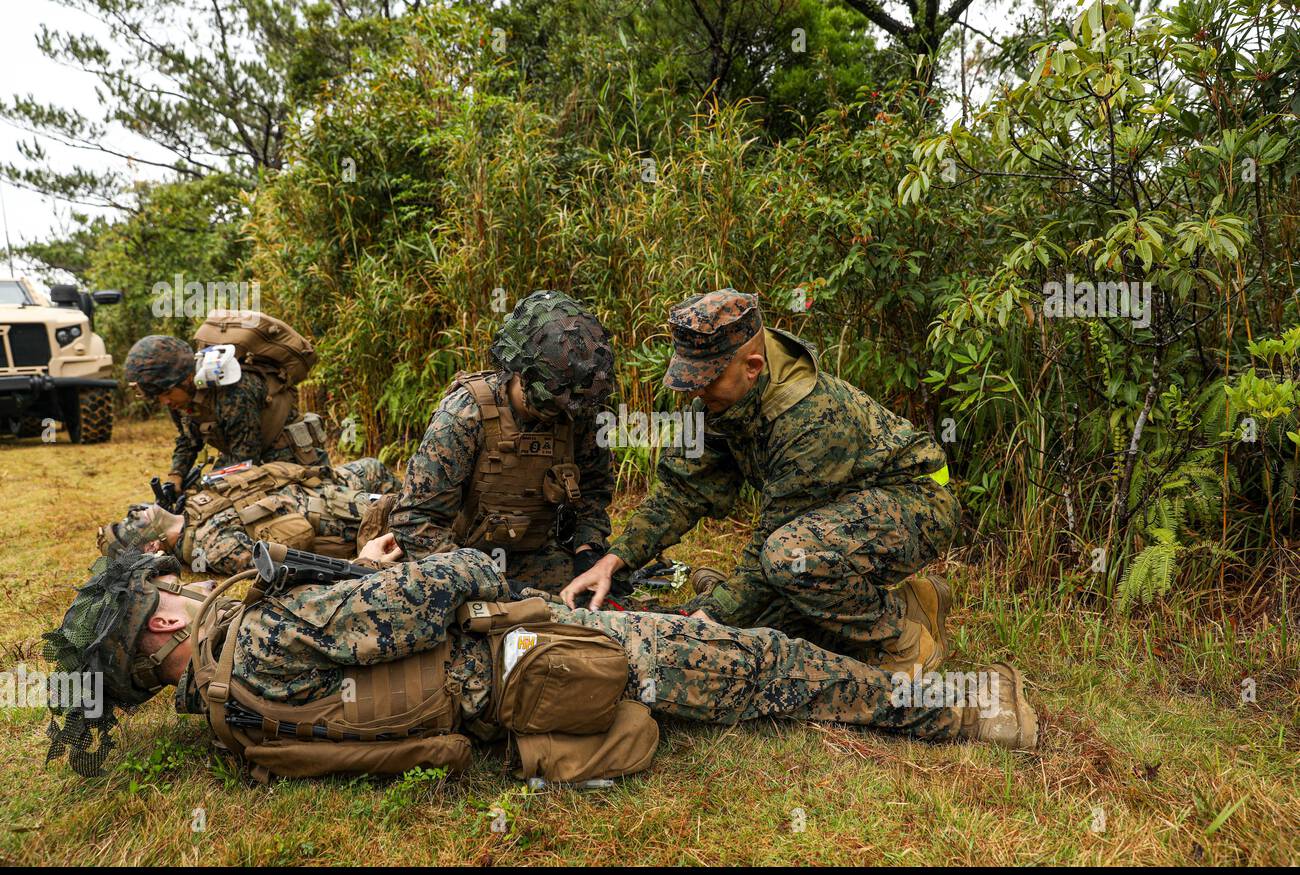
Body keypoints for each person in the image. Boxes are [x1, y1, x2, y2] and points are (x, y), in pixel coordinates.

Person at [41, 541, 1038, 783]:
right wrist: (437, 563)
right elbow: (450, 582)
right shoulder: (260, 634)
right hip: (526, 656)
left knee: (720, 659)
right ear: (158, 630)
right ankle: (968, 707)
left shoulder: (225, 716)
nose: (177, 588)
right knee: (759, 661)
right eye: (162, 595)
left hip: (496, 700)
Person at [562, 289, 960, 674]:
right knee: (766, 617)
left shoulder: (811, 419)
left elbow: (774, 544)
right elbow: (681, 491)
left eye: (706, 378)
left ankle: (901, 638)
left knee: (785, 561)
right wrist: (613, 561)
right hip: (843, 511)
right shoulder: (725, 400)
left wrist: (711, 614)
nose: (696, 391)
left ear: (751, 366)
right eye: (690, 377)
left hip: (916, 501)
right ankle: (917, 601)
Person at [383, 291, 615, 592]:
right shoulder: (465, 415)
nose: (562, 414)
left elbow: (593, 494)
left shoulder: (577, 409)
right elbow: (415, 520)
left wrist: (589, 552)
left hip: (542, 559)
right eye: (554, 404)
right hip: (460, 559)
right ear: (522, 374)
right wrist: (478, 580)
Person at [97, 458, 398, 575]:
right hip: (336, 515)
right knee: (406, 507)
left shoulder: (193, 506)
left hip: (317, 483)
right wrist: (359, 563)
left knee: (375, 466)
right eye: (130, 525)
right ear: (152, 548)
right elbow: (280, 564)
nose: (134, 513)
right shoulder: (211, 547)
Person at [124, 331, 329, 490]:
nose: (165, 402)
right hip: (244, 456)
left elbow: (245, 460)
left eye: (166, 393)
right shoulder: (177, 396)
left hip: (288, 456)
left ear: (187, 379)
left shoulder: (234, 390)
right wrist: (175, 477)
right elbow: (188, 439)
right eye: (158, 397)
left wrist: (202, 486)